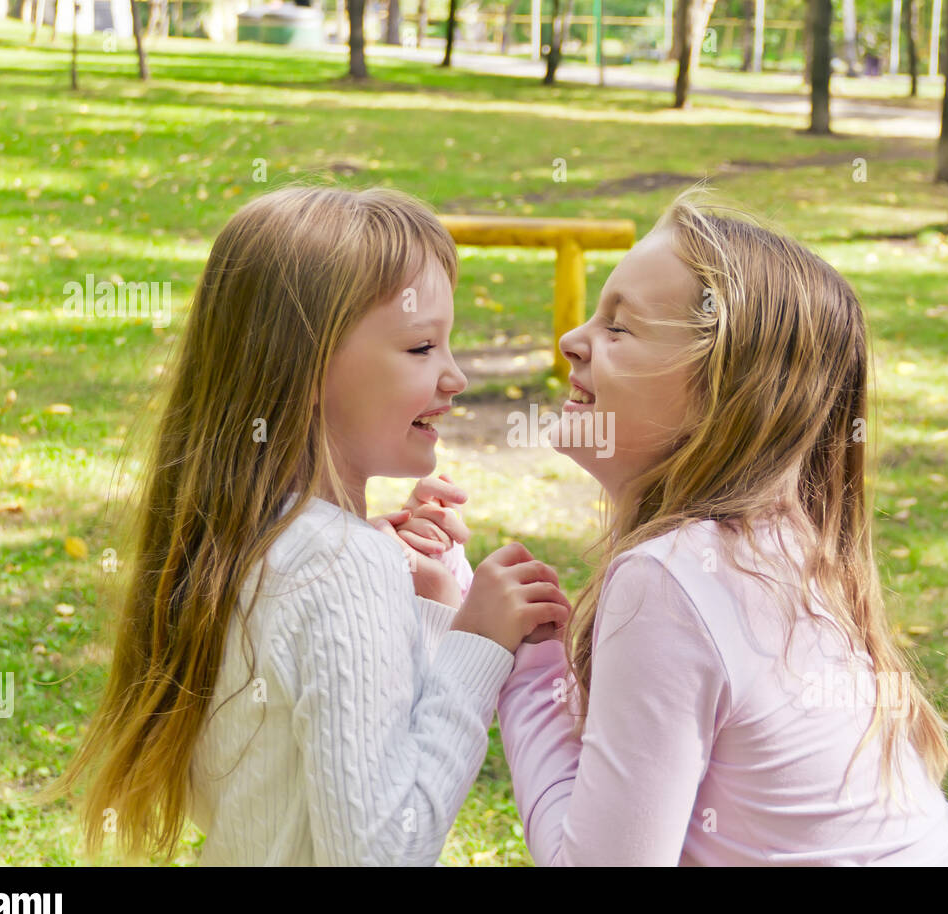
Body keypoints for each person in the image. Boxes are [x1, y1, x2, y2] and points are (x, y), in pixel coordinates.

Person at [39, 185, 570, 866]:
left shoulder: (237, 539)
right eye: (420, 348)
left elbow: (286, 778)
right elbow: (386, 851)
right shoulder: (343, 566)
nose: (456, 376)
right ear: (307, 367)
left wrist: (429, 612)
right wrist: (479, 647)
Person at [494, 188, 948, 865]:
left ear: (719, 397)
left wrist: (525, 670)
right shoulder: (782, 546)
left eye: (618, 328)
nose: (571, 341)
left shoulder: (670, 578)